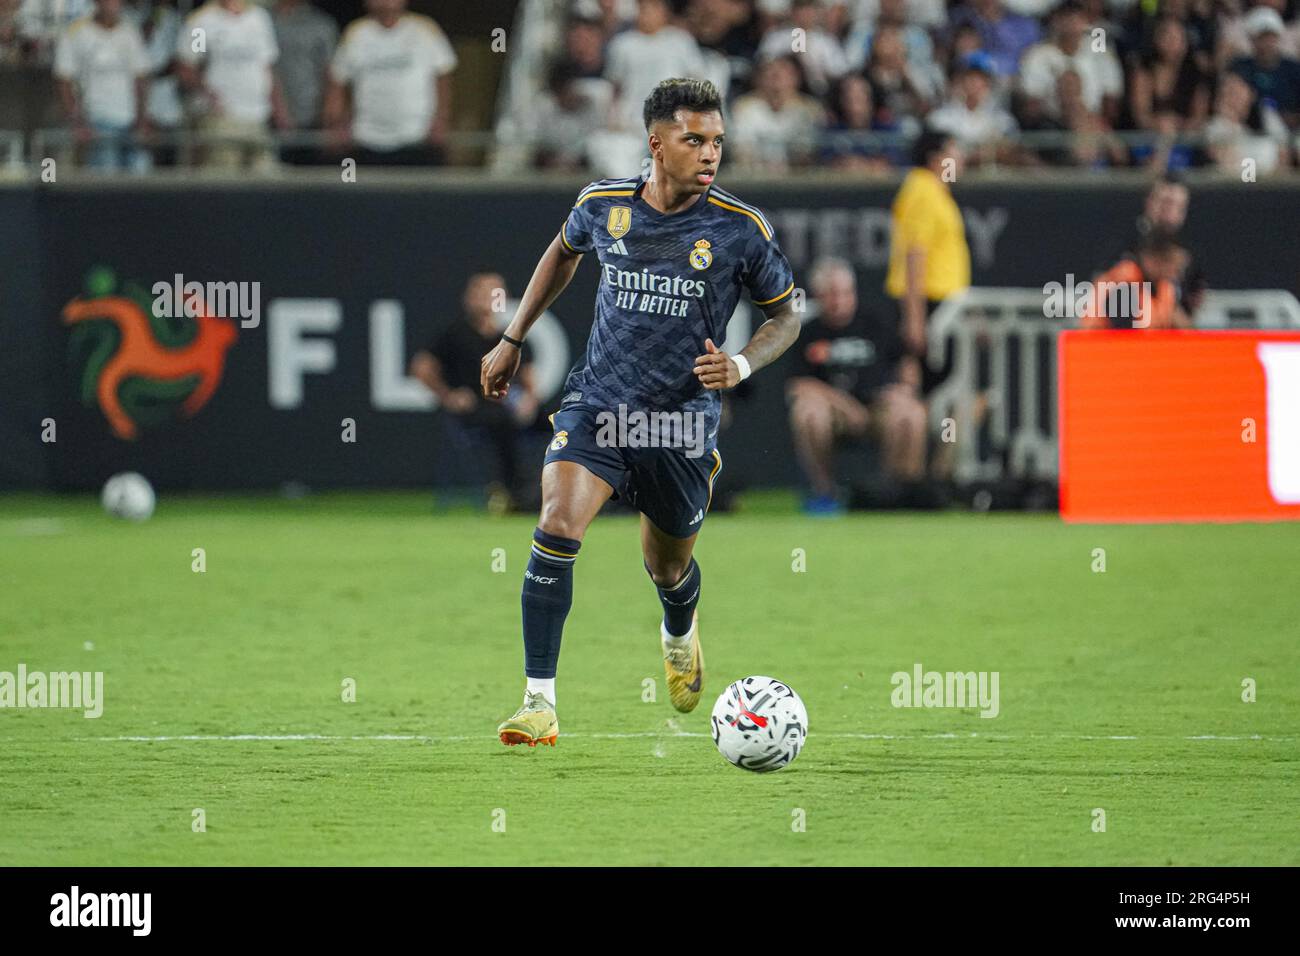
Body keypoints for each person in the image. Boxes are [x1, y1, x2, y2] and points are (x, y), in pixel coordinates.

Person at [479, 77, 800, 747]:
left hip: (680, 426)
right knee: (557, 524)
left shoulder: (740, 229)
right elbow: (562, 252)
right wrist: (513, 336)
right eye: (695, 140)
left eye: (717, 141)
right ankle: (539, 702)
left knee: (668, 566)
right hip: (598, 404)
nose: (710, 153)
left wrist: (740, 364)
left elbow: (787, 315)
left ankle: (679, 629)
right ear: (658, 144)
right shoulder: (603, 204)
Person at [788, 257, 926, 513]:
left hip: (878, 408)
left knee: (911, 413)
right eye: (831, 295)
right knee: (807, 412)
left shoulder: (876, 323)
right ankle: (825, 493)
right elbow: (798, 385)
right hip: (836, 413)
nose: (839, 301)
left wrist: (906, 388)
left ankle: (895, 493)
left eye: (844, 293)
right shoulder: (807, 332)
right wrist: (845, 405)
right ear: (818, 296)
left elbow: (906, 363)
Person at [410, 273, 539, 512]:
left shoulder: (511, 337)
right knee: (503, 423)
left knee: (564, 418)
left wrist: (529, 401)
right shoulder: (454, 335)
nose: (487, 299)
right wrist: (448, 396)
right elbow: (421, 367)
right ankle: (518, 494)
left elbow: (529, 377)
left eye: (494, 293)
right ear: (468, 299)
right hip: (475, 409)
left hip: (508, 406)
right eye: (481, 293)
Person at [885, 128, 970, 399]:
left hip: (943, 307)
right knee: (923, 391)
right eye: (955, 150)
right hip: (928, 306)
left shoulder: (935, 191)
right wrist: (915, 319)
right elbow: (914, 255)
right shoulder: (922, 190)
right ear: (936, 158)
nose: (962, 158)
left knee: (940, 393)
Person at [324, 0, 457, 165]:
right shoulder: (356, 32)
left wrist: (441, 120)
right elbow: (337, 80)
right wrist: (336, 124)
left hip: (418, 136)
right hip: (367, 138)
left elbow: (443, 76)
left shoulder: (425, 29)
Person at [176, 0, 288, 170]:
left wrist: (279, 110)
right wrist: (209, 95)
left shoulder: (259, 18)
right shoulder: (202, 22)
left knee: (264, 180)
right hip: (221, 118)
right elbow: (188, 67)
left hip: (258, 116)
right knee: (224, 180)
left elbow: (267, 66)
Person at [53, 0, 151, 172]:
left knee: (140, 178)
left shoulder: (130, 31)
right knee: (106, 182)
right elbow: (64, 81)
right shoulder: (76, 31)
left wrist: (142, 119)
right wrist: (77, 122)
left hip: (130, 122)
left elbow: (141, 78)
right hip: (97, 121)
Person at [1082, 232, 1191, 330]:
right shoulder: (1124, 286)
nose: (1177, 274)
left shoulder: (1163, 287)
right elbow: (1123, 337)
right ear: (1151, 259)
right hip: (1099, 348)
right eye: (1172, 265)